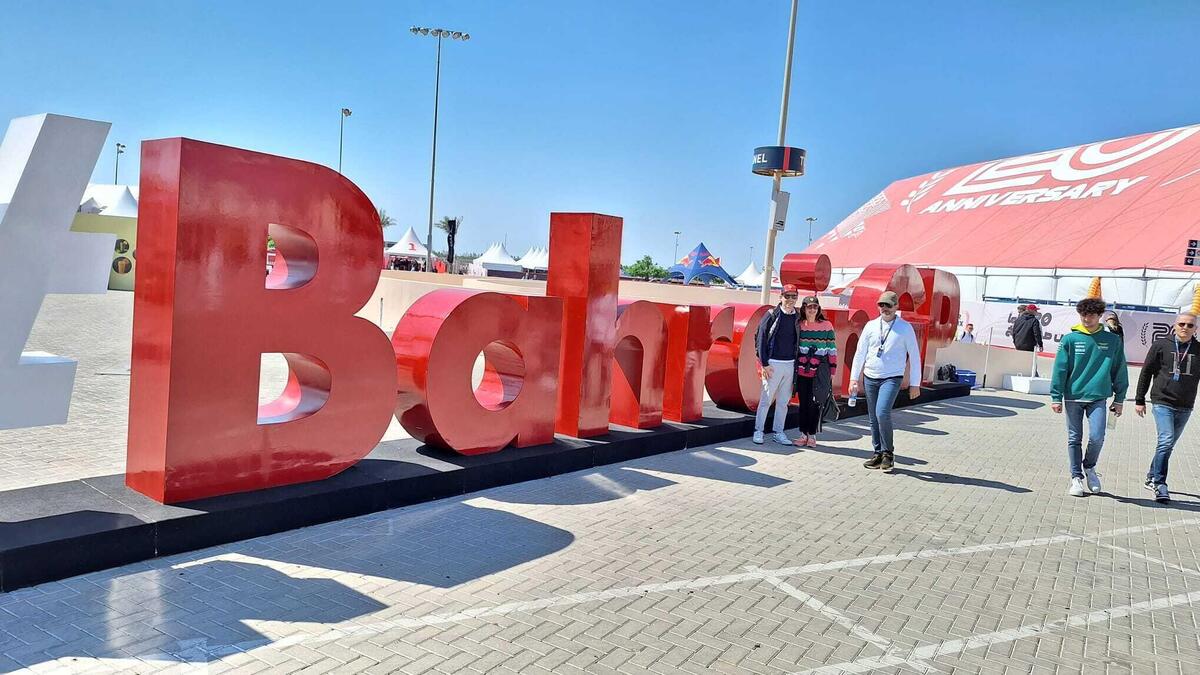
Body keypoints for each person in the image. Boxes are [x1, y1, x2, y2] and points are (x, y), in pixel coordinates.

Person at [1049, 297, 1129, 497]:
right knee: (1074, 438)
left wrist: (1119, 399)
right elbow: (1060, 369)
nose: (1086, 318)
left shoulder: (1112, 340)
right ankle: (1076, 477)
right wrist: (1055, 396)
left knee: (1097, 436)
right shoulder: (1070, 339)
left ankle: (1090, 467)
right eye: (1083, 314)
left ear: (1100, 316)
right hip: (1073, 396)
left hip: (1098, 397)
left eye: (1091, 315)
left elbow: (1120, 370)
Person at [849, 291, 923, 472]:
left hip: (891, 377)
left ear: (896, 306)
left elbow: (914, 356)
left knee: (882, 413)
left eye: (888, 305)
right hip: (870, 376)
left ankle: (888, 453)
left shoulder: (905, 328)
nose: (885, 309)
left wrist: (915, 383)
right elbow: (860, 353)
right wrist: (853, 378)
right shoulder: (871, 326)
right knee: (873, 417)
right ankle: (878, 453)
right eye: (881, 305)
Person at [1135, 312, 1199, 502]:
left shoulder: (1198, 349)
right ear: (1174, 325)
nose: (1185, 328)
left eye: (1189, 325)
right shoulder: (1161, 345)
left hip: (1186, 405)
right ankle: (1160, 484)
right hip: (1162, 401)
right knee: (1166, 440)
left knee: (1168, 445)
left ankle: (1151, 476)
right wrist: (1140, 399)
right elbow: (1146, 372)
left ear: (1195, 328)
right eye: (1181, 324)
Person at [753, 285, 801, 444]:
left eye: (794, 296)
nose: (790, 300)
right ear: (780, 297)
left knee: (783, 402)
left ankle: (778, 432)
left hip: (790, 364)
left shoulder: (798, 317)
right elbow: (761, 338)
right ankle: (758, 431)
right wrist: (764, 363)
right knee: (766, 399)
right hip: (773, 363)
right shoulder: (772, 315)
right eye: (787, 296)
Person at [794, 296, 837, 447]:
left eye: (815, 307)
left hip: (820, 369)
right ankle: (802, 434)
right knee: (803, 403)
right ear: (804, 309)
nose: (812, 310)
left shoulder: (826, 325)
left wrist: (832, 369)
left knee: (816, 403)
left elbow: (832, 348)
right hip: (802, 369)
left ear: (818, 309)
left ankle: (812, 435)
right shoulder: (799, 325)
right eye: (809, 307)